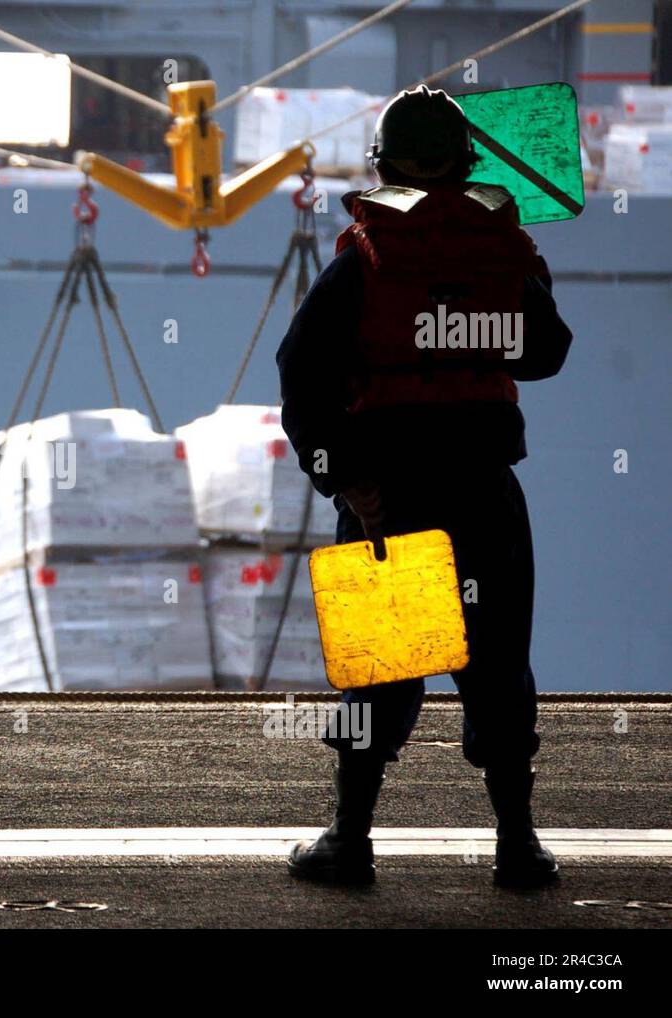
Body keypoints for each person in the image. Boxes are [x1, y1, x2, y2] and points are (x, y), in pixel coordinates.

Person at [276, 85, 573, 889]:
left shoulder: (362, 262)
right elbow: (544, 354)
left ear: (384, 166)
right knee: (497, 669)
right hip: (482, 495)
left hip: (390, 501)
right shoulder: (502, 252)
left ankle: (350, 842)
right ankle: (518, 848)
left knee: (378, 673)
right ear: (467, 161)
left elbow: (300, 376)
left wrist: (345, 479)